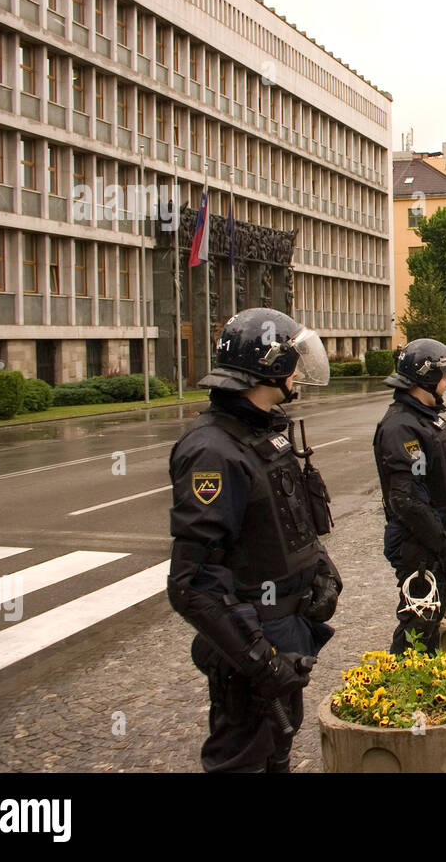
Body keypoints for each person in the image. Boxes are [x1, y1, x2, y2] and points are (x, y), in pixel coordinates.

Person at [167, 307, 341, 773]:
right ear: (269, 366)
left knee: (278, 744)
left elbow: (287, 521)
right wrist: (258, 659)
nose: (299, 371)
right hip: (252, 635)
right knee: (243, 756)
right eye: (292, 360)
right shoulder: (212, 450)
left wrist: (321, 569)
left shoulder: (263, 431)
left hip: (286, 623)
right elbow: (192, 583)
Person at [374, 339, 446, 652]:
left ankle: (424, 674)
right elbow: (407, 501)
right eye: (442, 375)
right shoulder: (402, 426)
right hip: (421, 544)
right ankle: (406, 687)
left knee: (430, 622)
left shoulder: (423, 416)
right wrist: (442, 545)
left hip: (439, 537)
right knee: (418, 625)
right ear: (425, 379)